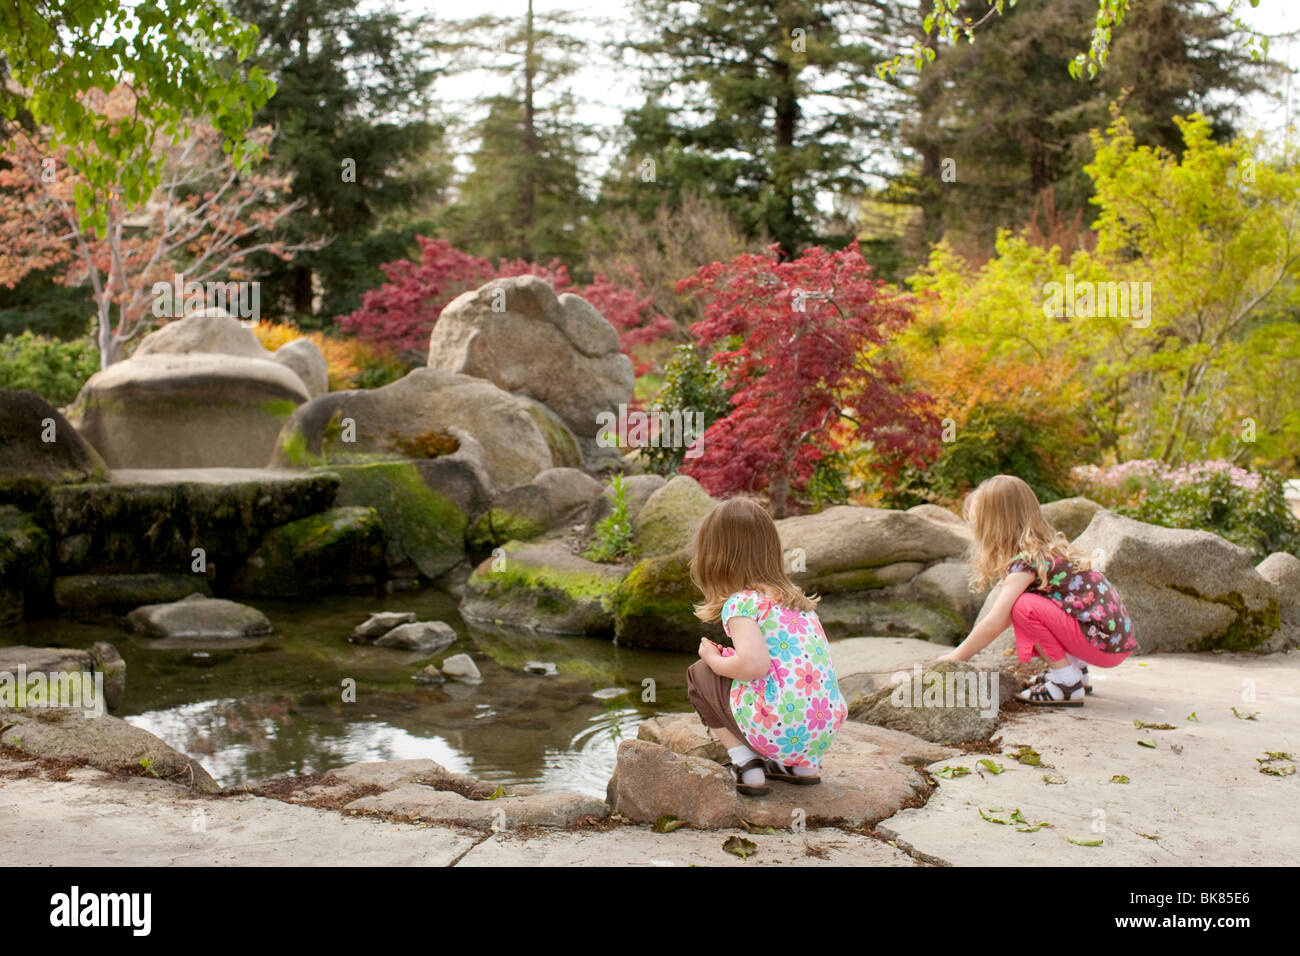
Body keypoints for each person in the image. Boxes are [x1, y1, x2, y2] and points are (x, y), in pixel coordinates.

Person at [685, 497, 847, 796]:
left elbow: (754, 666)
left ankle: (747, 766)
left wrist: (713, 659)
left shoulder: (742, 603)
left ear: (715, 557)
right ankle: (800, 767)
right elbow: (785, 662)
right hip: (821, 729)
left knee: (699, 673)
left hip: (777, 727)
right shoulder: (797, 600)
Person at [939, 475, 1137, 705]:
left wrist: (955, 658)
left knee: (1024, 607)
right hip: (1113, 643)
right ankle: (1076, 672)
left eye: (979, 526)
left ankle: (1066, 684)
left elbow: (995, 622)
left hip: (1103, 647)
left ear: (995, 526)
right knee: (1038, 605)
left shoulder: (1027, 563)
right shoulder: (1048, 552)